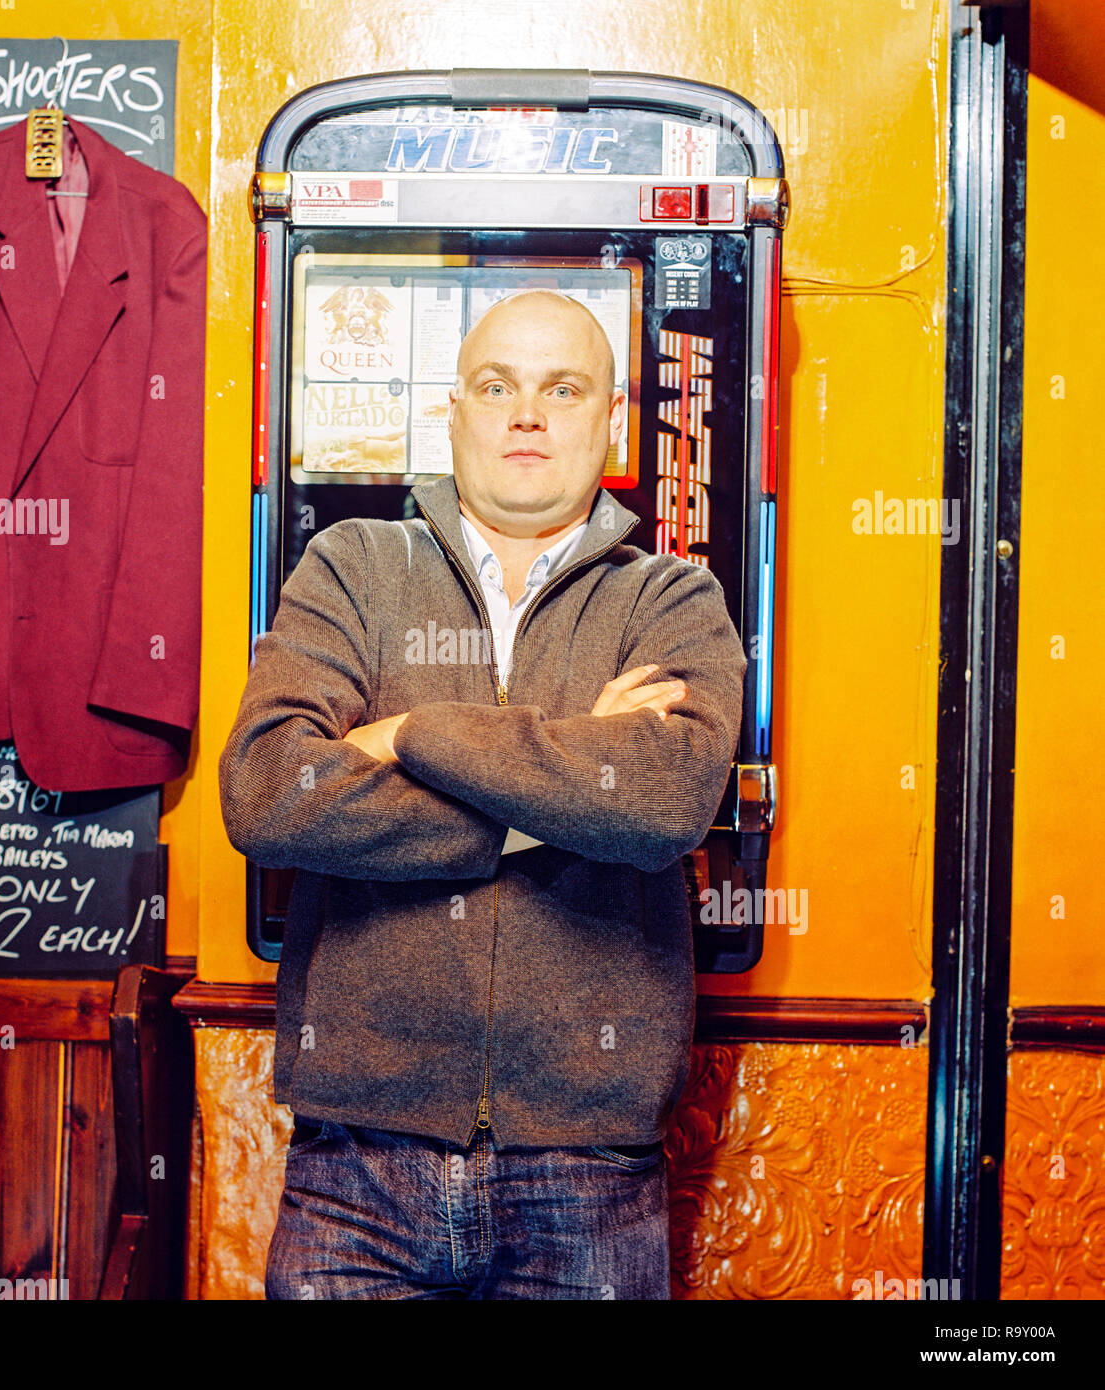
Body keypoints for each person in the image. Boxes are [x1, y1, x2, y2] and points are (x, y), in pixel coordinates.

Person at [219, 288, 747, 1299]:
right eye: (496, 386)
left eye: (562, 387)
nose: (526, 414)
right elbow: (267, 792)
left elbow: (663, 801)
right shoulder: (349, 568)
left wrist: (410, 734)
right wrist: (561, 792)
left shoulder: (669, 599)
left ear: (609, 419)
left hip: (588, 1166)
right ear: (451, 410)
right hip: (356, 1166)